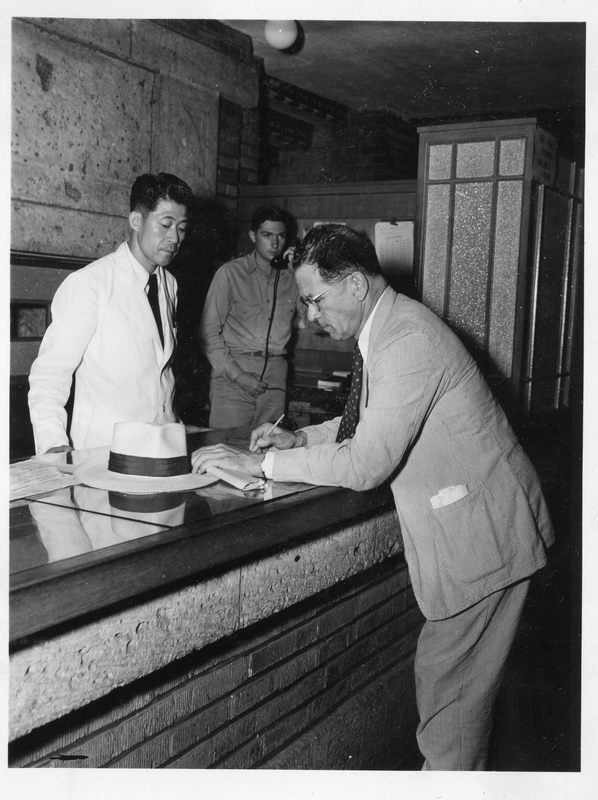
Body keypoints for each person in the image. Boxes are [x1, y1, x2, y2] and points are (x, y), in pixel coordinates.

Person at [190, 223, 555, 770]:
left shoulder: (406, 338)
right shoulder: (389, 328)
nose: (311, 318)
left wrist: (260, 461)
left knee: (449, 718)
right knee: (450, 703)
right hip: (484, 532)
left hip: (484, 542)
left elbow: (366, 462)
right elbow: (368, 419)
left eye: (315, 300)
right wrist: (301, 438)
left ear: (355, 285)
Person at [28, 172, 195, 454]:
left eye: (181, 227)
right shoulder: (91, 283)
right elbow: (48, 377)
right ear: (136, 221)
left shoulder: (170, 284)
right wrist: (54, 446)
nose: (174, 238)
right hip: (103, 452)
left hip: (163, 447)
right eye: (165, 224)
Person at [199, 205, 300, 429]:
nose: (274, 245)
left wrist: (302, 273)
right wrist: (238, 376)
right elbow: (207, 334)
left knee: (266, 454)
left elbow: (315, 322)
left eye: (280, 236)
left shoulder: (293, 279)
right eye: (267, 236)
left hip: (274, 383)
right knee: (225, 450)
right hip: (233, 379)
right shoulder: (230, 274)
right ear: (253, 235)